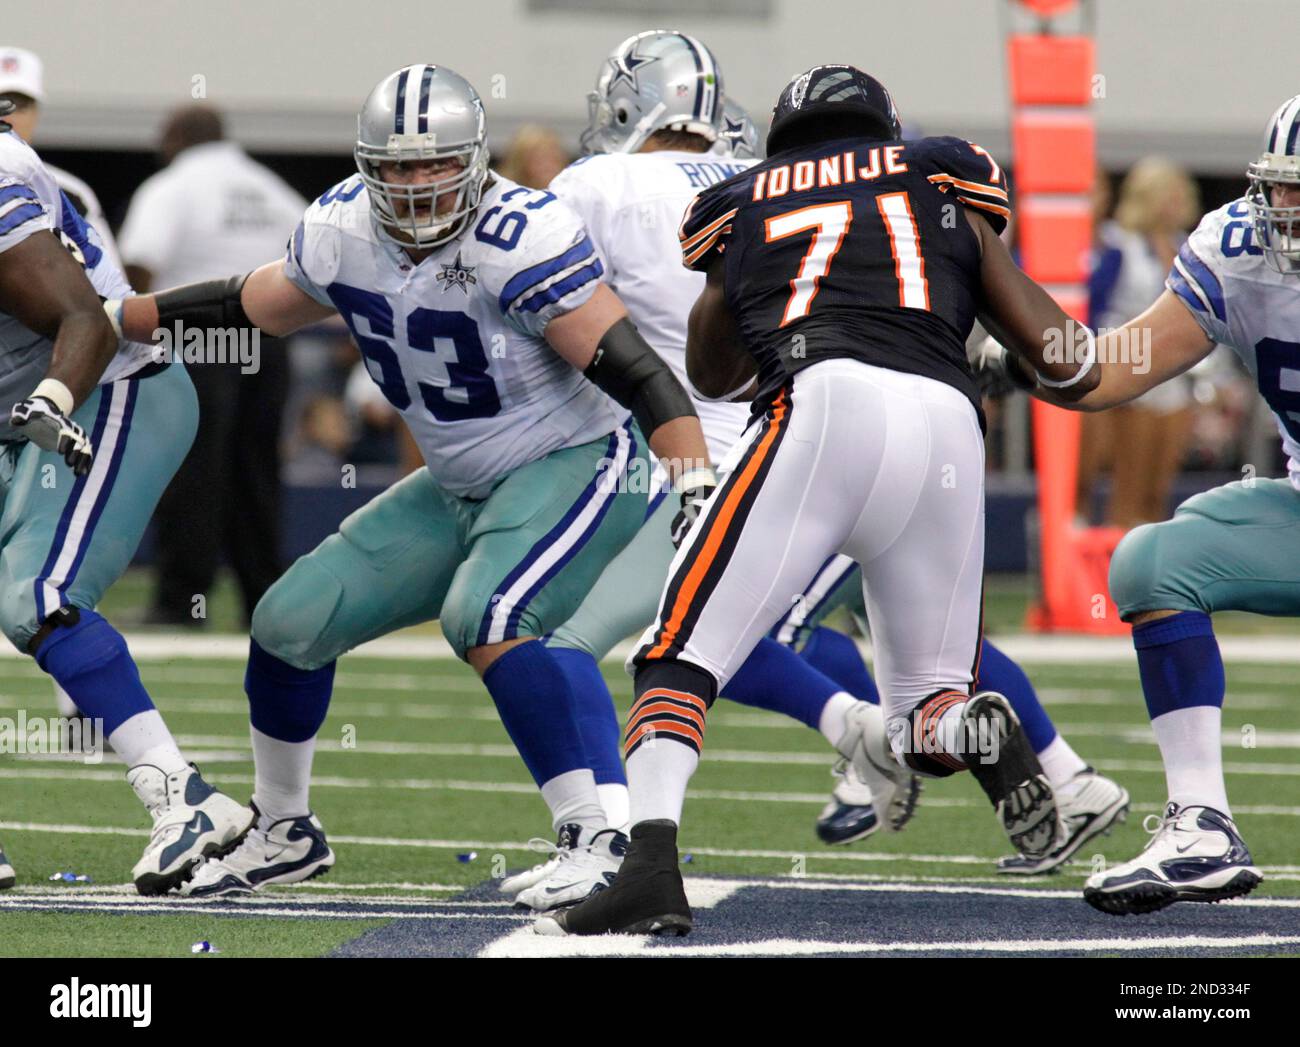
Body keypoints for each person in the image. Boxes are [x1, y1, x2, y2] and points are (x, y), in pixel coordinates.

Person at [110, 64, 714, 898]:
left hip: (576, 460)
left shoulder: (523, 234)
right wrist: (122, 319)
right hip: (460, 484)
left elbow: (639, 373)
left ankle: (596, 838)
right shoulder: (340, 229)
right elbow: (255, 303)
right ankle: (285, 827)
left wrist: (692, 480)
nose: (415, 182)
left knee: (489, 614)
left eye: (433, 164)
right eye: (395, 165)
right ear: (368, 165)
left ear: (472, 159)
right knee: (289, 619)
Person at [542, 64, 1100, 937]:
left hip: (824, 401)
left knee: (676, 650)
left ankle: (649, 864)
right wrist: (1050, 363)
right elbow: (1066, 356)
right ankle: (974, 733)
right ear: (885, 124)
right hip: (947, 422)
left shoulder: (741, 199)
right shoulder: (940, 170)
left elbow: (713, 374)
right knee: (924, 717)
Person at [504, 31, 919, 913]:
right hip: (792, 441)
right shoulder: (751, 182)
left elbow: (528, 294)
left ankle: (609, 843)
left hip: (672, 454)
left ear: (627, 105)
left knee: (560, 630)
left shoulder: (598, 183)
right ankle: (861, 727)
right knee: (707, 636)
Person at [1017, 96, 1300, 915]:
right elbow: (1110, 370)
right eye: (1282, 188)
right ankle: (1201, 826)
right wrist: (1011, 342)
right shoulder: (1240, 251)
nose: (1287, 210)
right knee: (1152, 558)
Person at [0, 99, 251, 894]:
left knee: (37, 593)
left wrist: (52, 402)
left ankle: (183, 796)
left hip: (105, 388)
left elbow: (87, 319)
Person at [118, 105, 305, 627]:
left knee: (191, 468)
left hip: (199, 337)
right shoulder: (267, 187)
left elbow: (138, 261)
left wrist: (127, 333)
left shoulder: (172, 187)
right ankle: (262, 604)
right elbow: (314, 253)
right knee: (257, 472)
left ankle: (181, 600)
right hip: (269, 338)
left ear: (175, 138)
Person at [1078, 158, 1202, 528]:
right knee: (1127, 484)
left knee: (1157, 489)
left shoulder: (1193, 246)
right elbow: (1094, 307)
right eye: (1168, 195)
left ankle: (1147, 563)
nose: (1176, 203)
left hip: (1176, 375)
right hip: (1129, 367)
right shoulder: (1120, 245)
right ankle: (1116, 561)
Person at [0, 46, 122, 269]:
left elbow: (111, 290)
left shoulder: (71, 195)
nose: (9, 116)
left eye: (21, 106)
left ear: (36, 114)